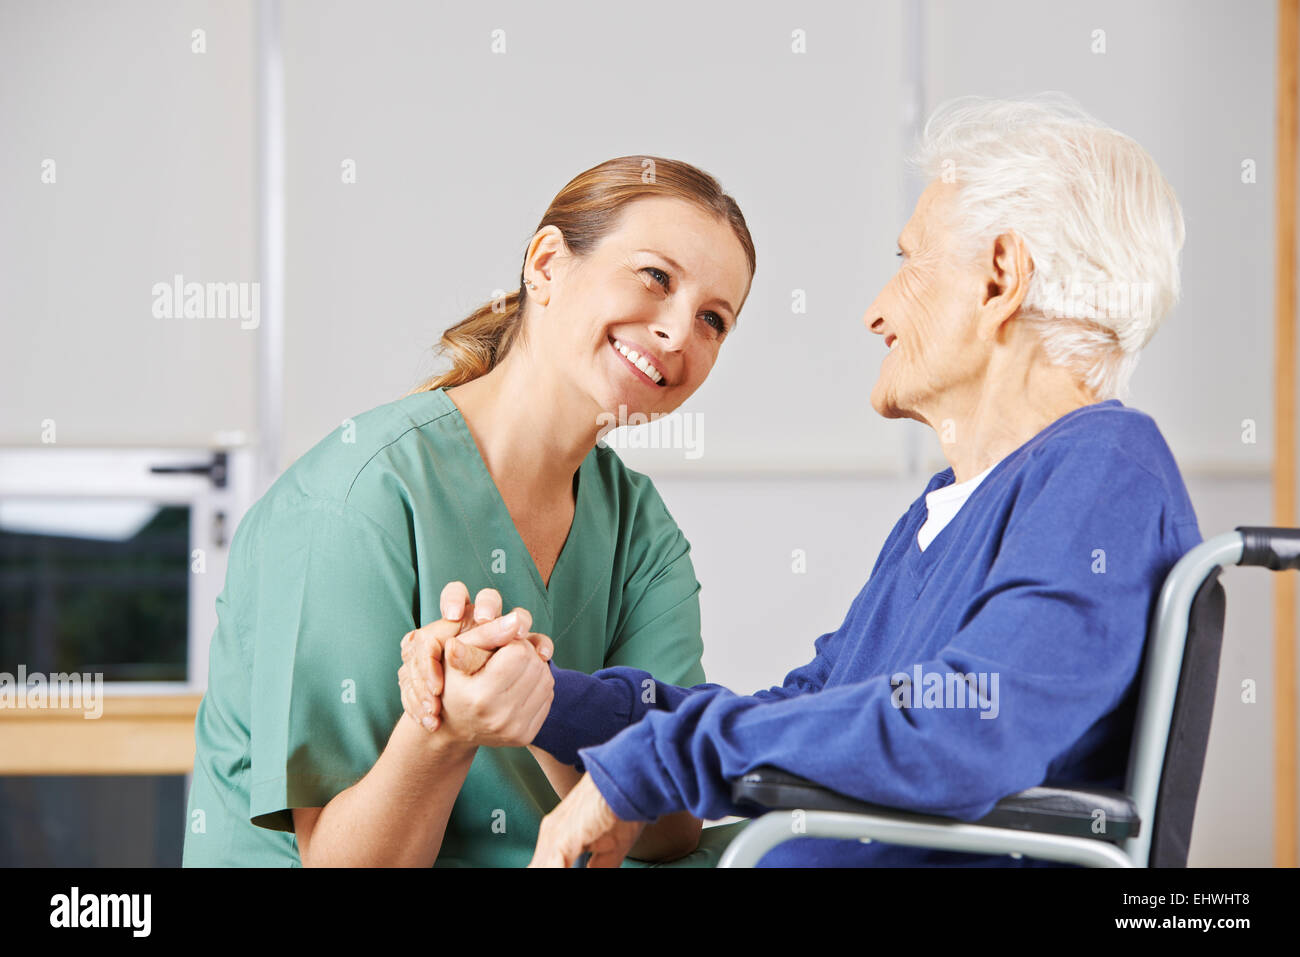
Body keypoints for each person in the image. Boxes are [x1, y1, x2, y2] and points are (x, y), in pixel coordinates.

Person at [404, 95, 1202, 867]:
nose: (877, 313)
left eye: (908, 261)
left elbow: (971, 726)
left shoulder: (1105, 472)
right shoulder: (953, 506)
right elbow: (808, 708)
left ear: (999, 278)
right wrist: (551, 699)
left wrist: (655, 764)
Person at [182, 155, 754, 867]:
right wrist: (446, 728)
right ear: (546, 265)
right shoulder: (355, 499)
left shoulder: (638, 528)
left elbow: (672, 828)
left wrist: (549, 707)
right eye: (656, 277)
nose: (677, 332)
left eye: (713, 320)